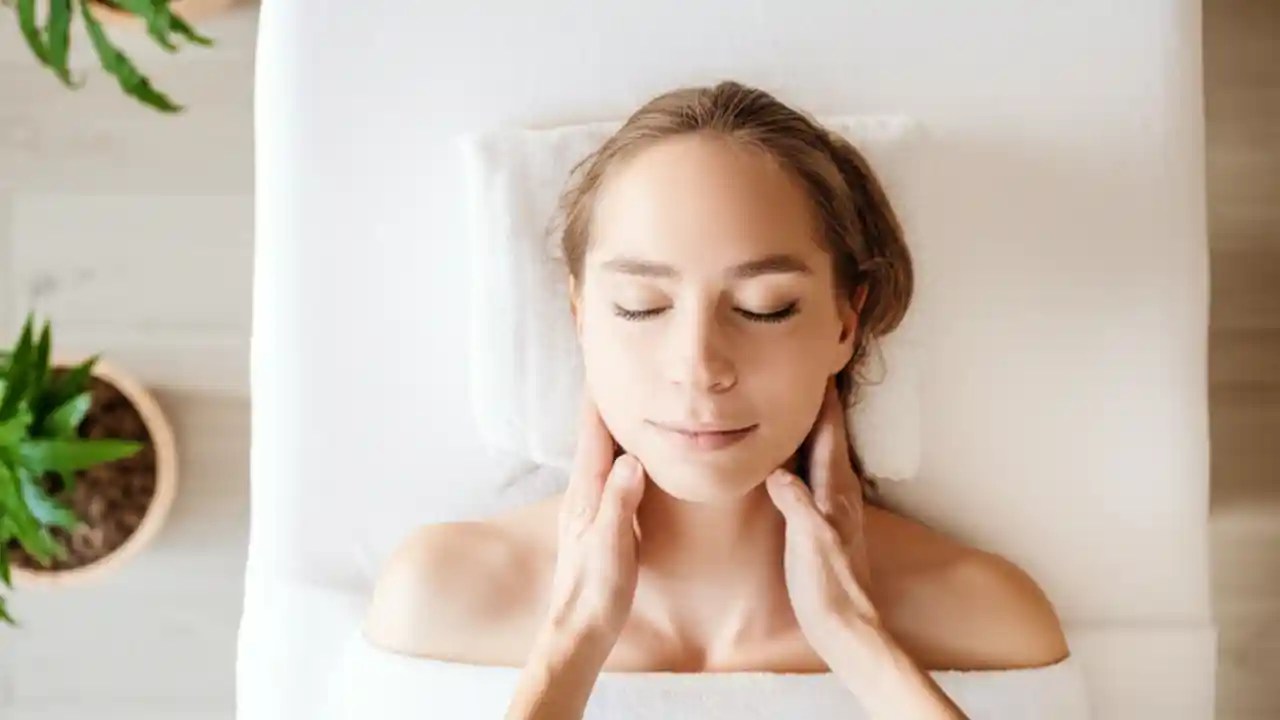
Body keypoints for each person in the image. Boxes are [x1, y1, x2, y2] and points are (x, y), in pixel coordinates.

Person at [363, 80, 1071, 718]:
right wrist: (573, 640)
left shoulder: (987, 617)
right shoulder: (439, 598)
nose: (699, 367)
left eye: (765, 308)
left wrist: (858, 643)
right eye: (641, 306)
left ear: (844, 324)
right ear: (581, 316)